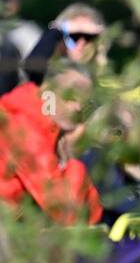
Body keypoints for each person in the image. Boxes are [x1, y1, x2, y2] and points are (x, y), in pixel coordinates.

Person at [0, 58, 101, 224]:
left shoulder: (51, 131)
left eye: (86, 102)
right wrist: (72, 159)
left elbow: (92, 216)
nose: (78, 107)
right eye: (71, 95)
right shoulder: (21, 125)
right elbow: (67, 214)